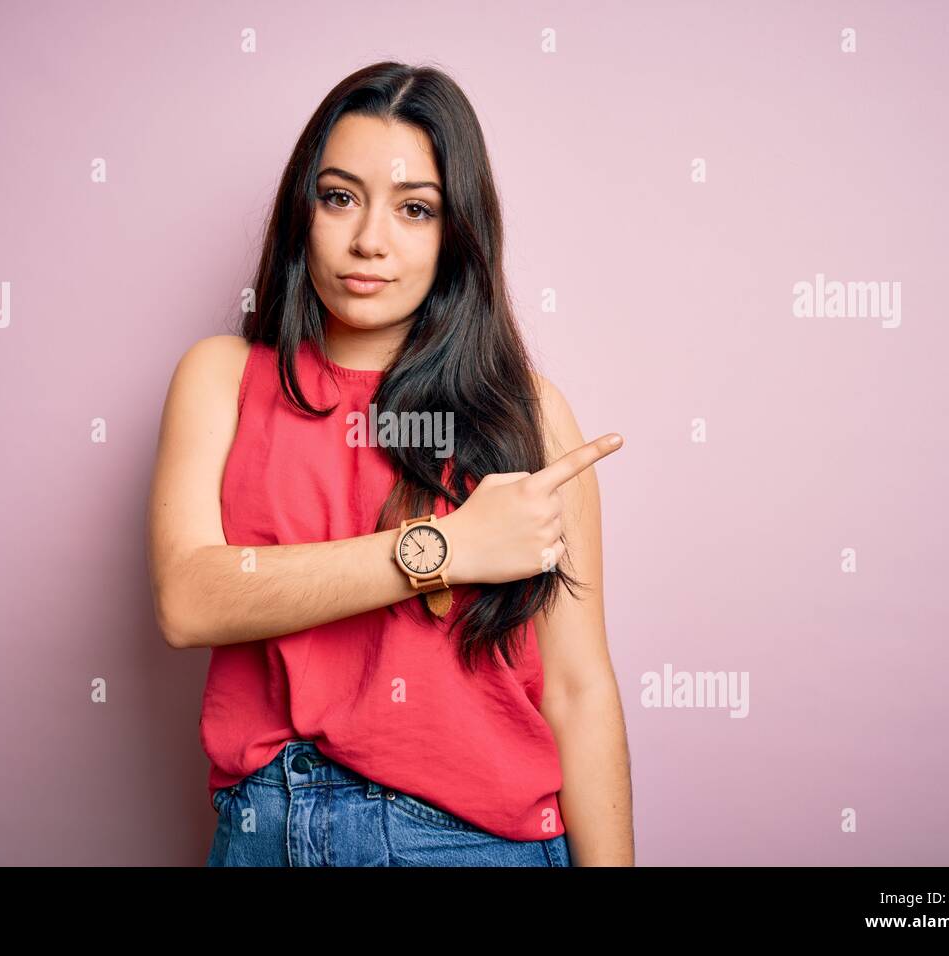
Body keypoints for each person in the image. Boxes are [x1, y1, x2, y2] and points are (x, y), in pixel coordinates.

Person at [147, 61, 633, 866]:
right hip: (267, 828)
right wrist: (446, 550)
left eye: (415, 209)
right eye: (340, 197)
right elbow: (189, 601)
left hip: (466, 844)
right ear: (304, 209)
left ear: (455, 234)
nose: (369, 239)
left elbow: (580, 692)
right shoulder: (223, 377)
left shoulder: (527, 413)